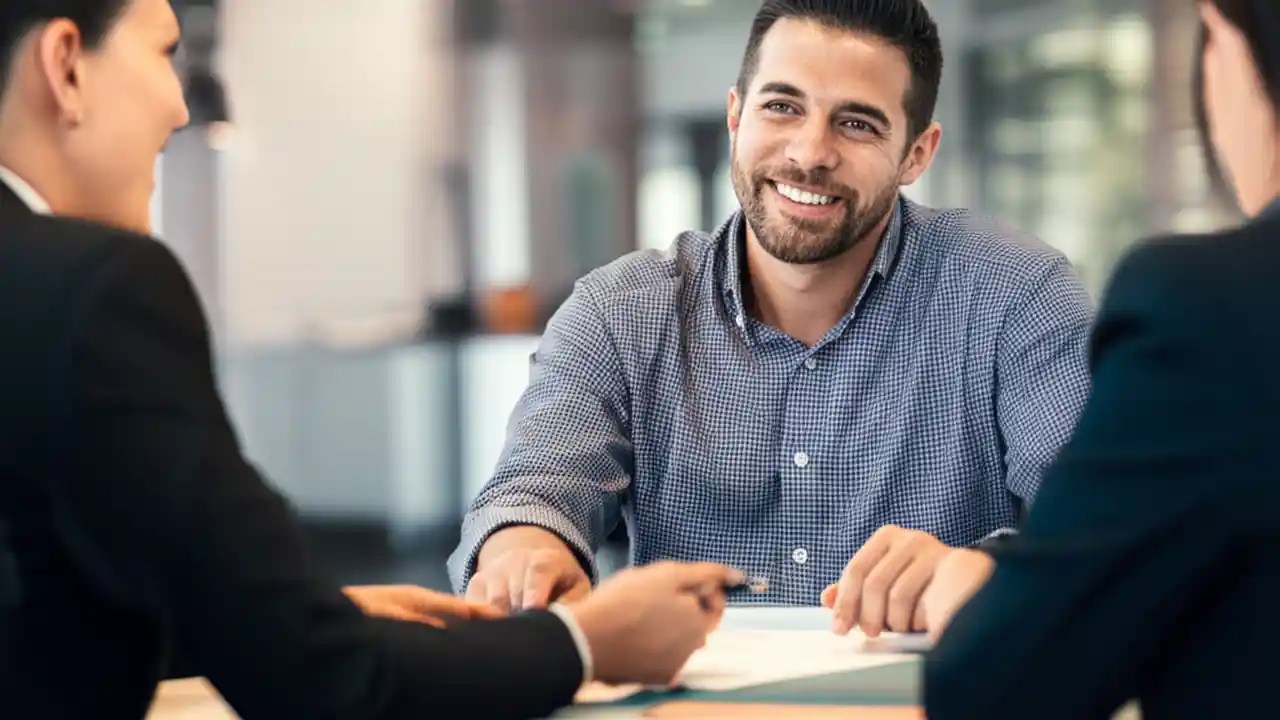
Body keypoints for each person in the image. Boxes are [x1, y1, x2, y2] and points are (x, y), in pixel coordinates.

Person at [0, 2, 741, 718]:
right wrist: (586, 643)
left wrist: (292, 616)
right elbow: (327, 686)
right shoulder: (99, 286)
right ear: (65, 65)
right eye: (165, 53)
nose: (179, 108)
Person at [450, 0, 1094, 638]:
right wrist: (525, 550)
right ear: (736, 115)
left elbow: (1100, 520)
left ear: (916, 154)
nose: (810, 153)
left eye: (858, 124)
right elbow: (534, 489)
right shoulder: (619, 312)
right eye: (781, 107)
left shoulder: (1015, 294)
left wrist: (981, 571)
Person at [923, 0, 1280, 717]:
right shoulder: (637, 303)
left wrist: (984, 582)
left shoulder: (1211, 308)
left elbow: (1003, 688)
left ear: (1228, 41)